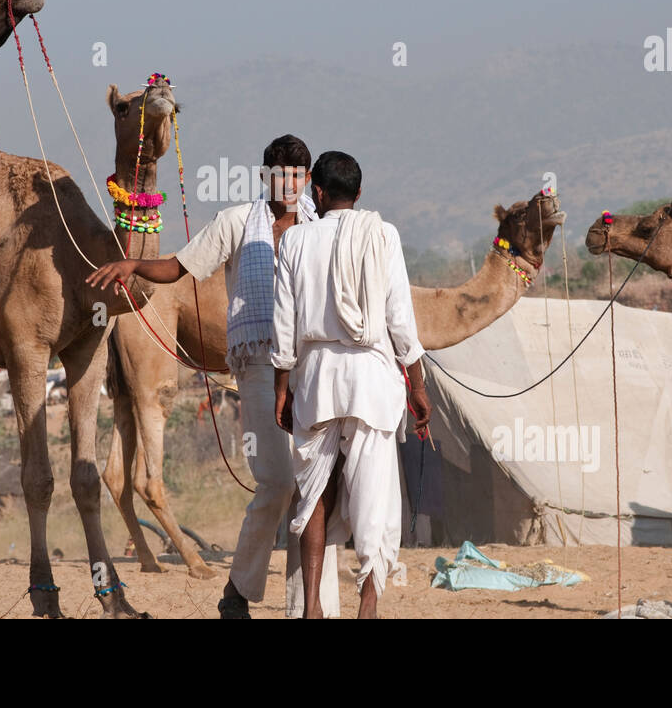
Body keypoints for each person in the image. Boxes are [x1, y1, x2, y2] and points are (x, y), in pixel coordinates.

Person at [87, 135, 341, 619]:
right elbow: (182, 266)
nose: (287, 184)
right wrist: (135, 263)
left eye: (296, 175)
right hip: (260, 364)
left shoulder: (323, 226)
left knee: (315, 491)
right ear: (265, 176)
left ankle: (309, 608)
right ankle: (237, 594)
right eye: (278, 174)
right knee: (277, 483)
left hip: (315, 366)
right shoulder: (236, 223)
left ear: (308, 181)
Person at [270, 150, 431, 619]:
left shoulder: (296, 241)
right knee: (372, 496)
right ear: (358, 194)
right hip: (372, 380)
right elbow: (401, 322)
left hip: (317, 376)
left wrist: (283, 386)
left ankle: (313, 607)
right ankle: (367, 606)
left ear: (315, 192)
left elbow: (285, 326)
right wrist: (417, 387)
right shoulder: (383, 234)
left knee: (315, 491)